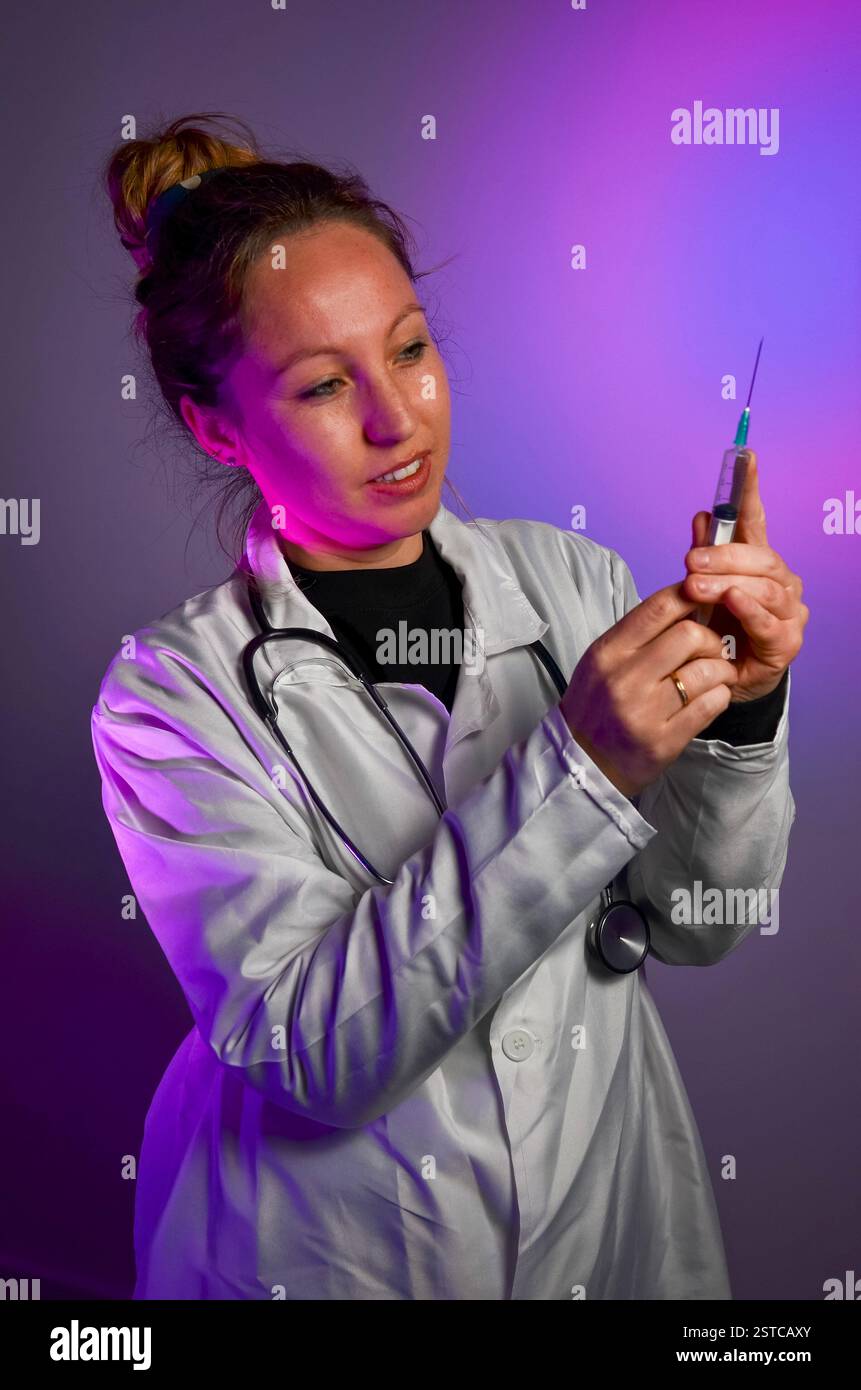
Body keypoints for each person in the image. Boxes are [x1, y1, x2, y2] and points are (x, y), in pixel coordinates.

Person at [92, 113, 807, 1301]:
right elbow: (319, 1050)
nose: (398, 417)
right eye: (325, 384)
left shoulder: (569, 582)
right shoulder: (171, 696)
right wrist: (580, 765)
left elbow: (699, 922)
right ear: (215, 424)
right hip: (323, 1254)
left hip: (598, 1219)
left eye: (411, 349)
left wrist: (742, 709)